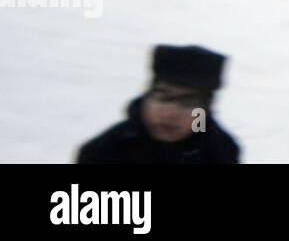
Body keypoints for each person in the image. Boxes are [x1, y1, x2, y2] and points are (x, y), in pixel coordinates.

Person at [76, 44, 240, 164]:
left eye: (188, 102)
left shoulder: (221, 153)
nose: (170, 113)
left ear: (205, 110)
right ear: (147, 96)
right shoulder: (107, 151)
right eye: (163, 97)